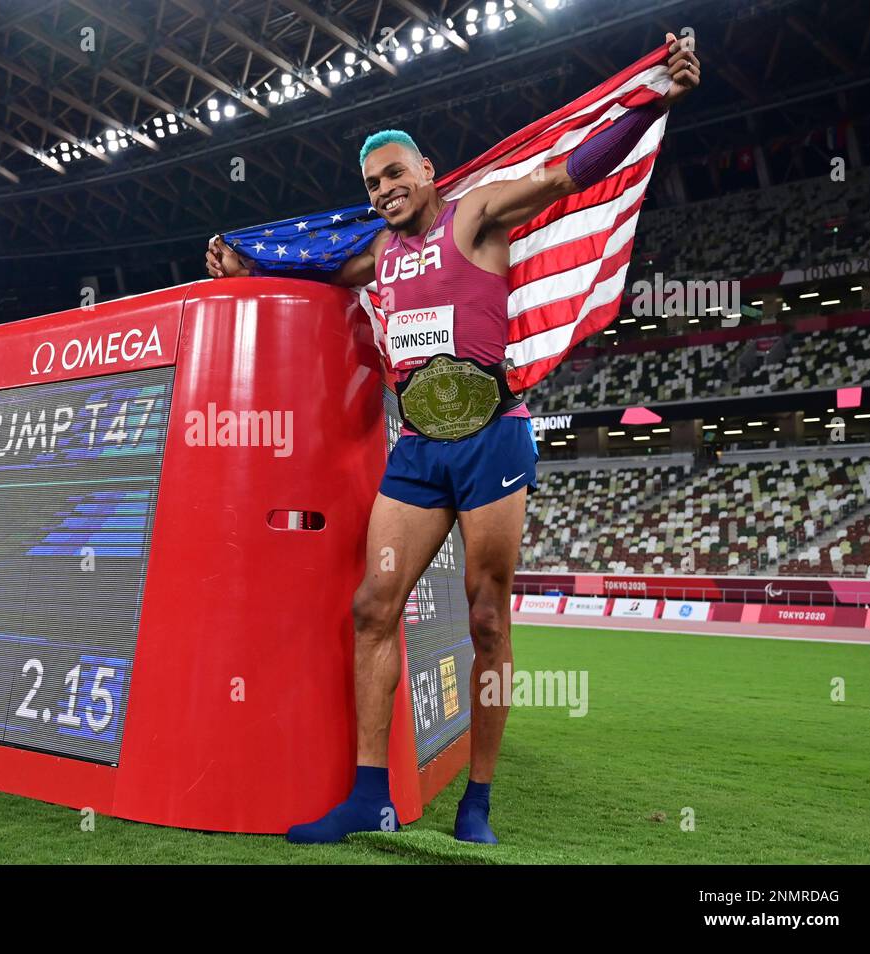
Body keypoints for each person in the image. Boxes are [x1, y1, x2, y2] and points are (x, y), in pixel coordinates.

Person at [206, 34, 699, 844]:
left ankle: (478, 802)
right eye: (372, 183)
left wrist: (654, 102)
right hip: (420, 449)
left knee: (487, 620)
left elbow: (567, 174)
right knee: (372, 608)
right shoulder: (377, 252)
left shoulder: (477, 213)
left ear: (429, 171)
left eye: (396, 173)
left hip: (491, 439)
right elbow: (314, 270)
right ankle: (371, 797)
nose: (385, 189)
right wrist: (246, 264)